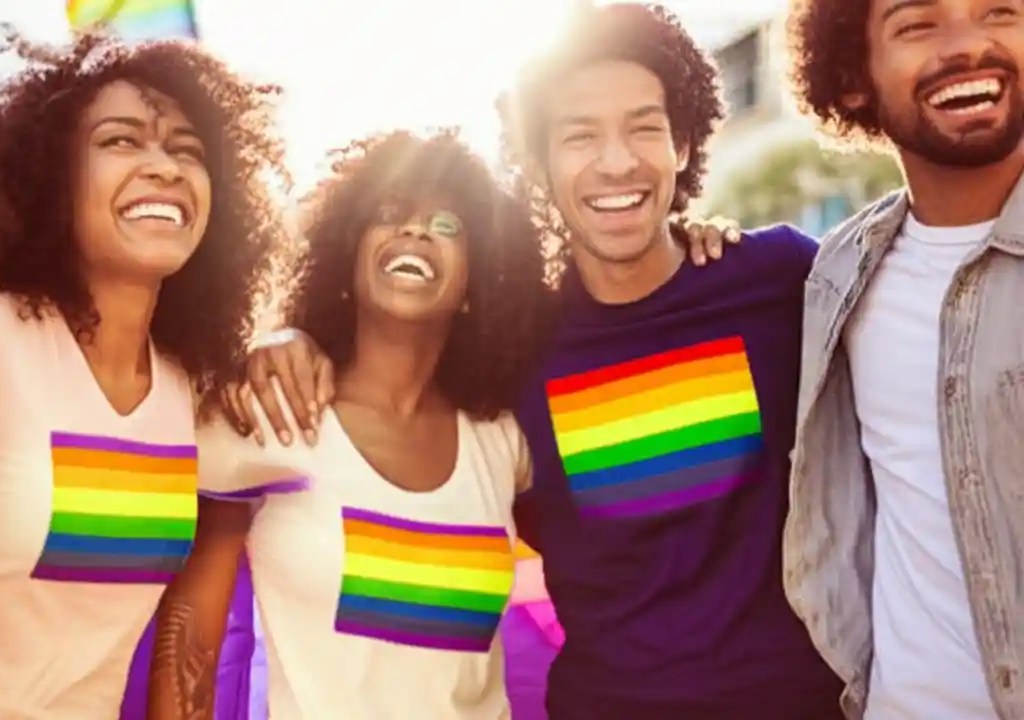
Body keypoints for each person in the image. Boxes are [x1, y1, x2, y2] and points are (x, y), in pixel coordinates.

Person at [226, 4, 846, 719]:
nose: (617, 161)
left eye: (644, 126)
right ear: (538, 163)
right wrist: (289, 342)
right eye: (580, 135)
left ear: (683, 143)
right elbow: (390, 376)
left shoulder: (778, 281)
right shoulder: (510, 351)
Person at [0, 33, 287, 719]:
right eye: (122, 141)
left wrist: (291, 336)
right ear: (51, 174)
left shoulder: (193, 386)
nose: (163, 166)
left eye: (187, 150)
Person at [170, 129, 554, 719]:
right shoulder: (268, 414)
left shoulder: (502, 440)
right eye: (389, 214)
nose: (416, 231)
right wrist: (264, 344)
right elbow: (193, 636)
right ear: (346, 264)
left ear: (477, 286)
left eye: (448, 226)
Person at [784, 1, 1024, 717]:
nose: (968, 45)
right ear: (854, 76)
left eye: (1000, 12)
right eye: (918, 25)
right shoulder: (839, 276)